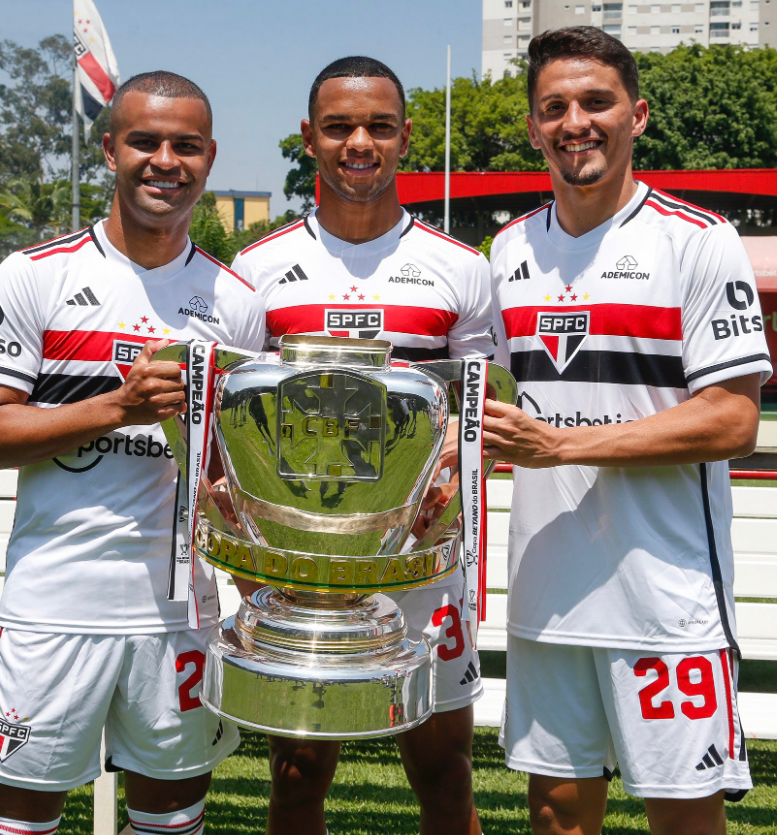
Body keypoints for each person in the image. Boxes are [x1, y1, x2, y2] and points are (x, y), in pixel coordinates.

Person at [485, 26, 773, 835]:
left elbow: (733, 418)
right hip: (546, 594)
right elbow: (487, 409)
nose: (575, 121)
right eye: (554, 107)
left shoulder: (697, 241)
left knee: (680, 819)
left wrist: (561, 445)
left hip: (664, 599)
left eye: (595, 102)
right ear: (535, 126)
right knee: (554, 817)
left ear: (636, 115)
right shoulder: (507, 251)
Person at [231, 56, 493, 835]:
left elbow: (476, 414)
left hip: (417, 559)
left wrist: (448, 476)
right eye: (339, 126)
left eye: (379, 126)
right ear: (308, 137)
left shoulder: (458, 269)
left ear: (405, 137)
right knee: (296, 771)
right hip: (300, 557)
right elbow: (231, 415)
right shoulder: (257, 270)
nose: (359, 142)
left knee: (443, 772)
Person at [0, 72, 266, 835]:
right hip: (55, 604)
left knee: (171, 819)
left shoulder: (235, 303)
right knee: (21, 816)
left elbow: (226, 464)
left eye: (185, 146)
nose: (165, 161)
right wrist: (117, 404)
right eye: (145, 142)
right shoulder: (36, 276)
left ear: (208, 158)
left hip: (177, 613)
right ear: (111, 149)